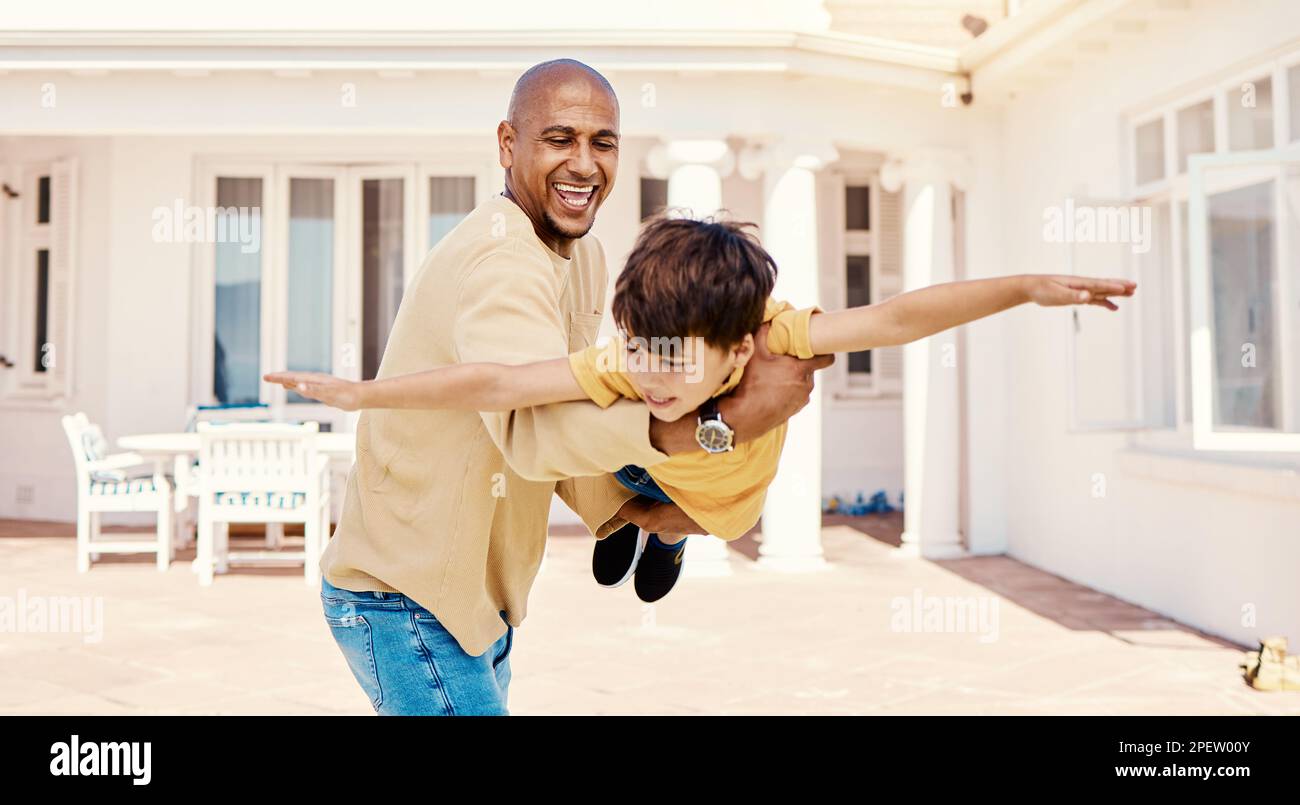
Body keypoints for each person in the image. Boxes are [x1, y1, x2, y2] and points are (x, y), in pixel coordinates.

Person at [295, 58, 832, 716]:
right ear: (507, 144)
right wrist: (720, 427)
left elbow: (576, 394)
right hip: (407, 598)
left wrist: (629, 509)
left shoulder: (582, 255)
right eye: (559, 139)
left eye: (601, 142)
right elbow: (533, 429)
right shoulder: (503, 260)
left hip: (474, 599)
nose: (584, 163)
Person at [269, 214, 1136, 608]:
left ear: (738, 348)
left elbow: (902, 316)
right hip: (639, 458)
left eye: (676, 359)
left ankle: (660, 536)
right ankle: (618, 523)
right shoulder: (631, 360)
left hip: (716, 497)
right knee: (574, 446)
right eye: (637, 346)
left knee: (676, 516)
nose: (650, 373)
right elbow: (494, 381)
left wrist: (1026, 287)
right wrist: (364, 392)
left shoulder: (782, 337)